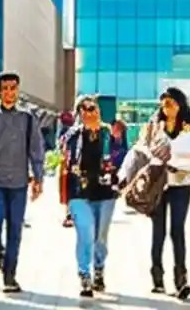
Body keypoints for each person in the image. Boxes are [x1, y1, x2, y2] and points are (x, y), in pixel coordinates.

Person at [121, 87, 190, 298]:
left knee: (177, 231)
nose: (168, 108)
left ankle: (181, 279)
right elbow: (140, 150)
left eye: (172, 103)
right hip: (156, 184)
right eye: (164, 104)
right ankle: (157, 277)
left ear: (180, 104)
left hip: (181, 184)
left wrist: (178, 158)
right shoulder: (152, 126)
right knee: (158, 231)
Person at [0, 71, 45, 293]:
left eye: (13, 88)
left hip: (18, 183)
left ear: (17, 89)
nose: (9, 93)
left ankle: (10, 276)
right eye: (5, 88)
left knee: (15, 230)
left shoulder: (27, 118)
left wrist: (38, 178)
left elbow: (36, 149)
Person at [61, 95, 125, 298]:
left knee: (100, 237)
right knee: (86, 232)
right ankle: (84, 274)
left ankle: (99, 268)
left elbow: (123, 156)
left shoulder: (110, 133)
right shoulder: (73, 134)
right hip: (79, 191)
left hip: (105, 191)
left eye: (93, 108)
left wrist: (115, 142)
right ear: (79, 113)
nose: (90, 113)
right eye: (85, 109)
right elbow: (64, 154)